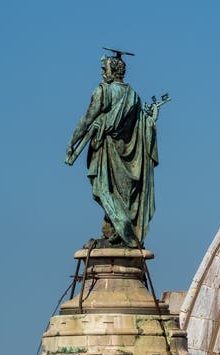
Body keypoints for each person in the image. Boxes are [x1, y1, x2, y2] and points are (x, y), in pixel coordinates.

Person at [65, 54, 162, 248]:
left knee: (106, 190)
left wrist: (71, 143)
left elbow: (87, 119)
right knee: (122, 196)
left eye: (104, 69)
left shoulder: (103, 91)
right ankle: (116, 232)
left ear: (111, 71)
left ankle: (121, 232)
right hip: (128, 155)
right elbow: (142, 123)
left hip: (108, 151)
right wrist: (151, 120)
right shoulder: (133, 95)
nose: (102, 73)